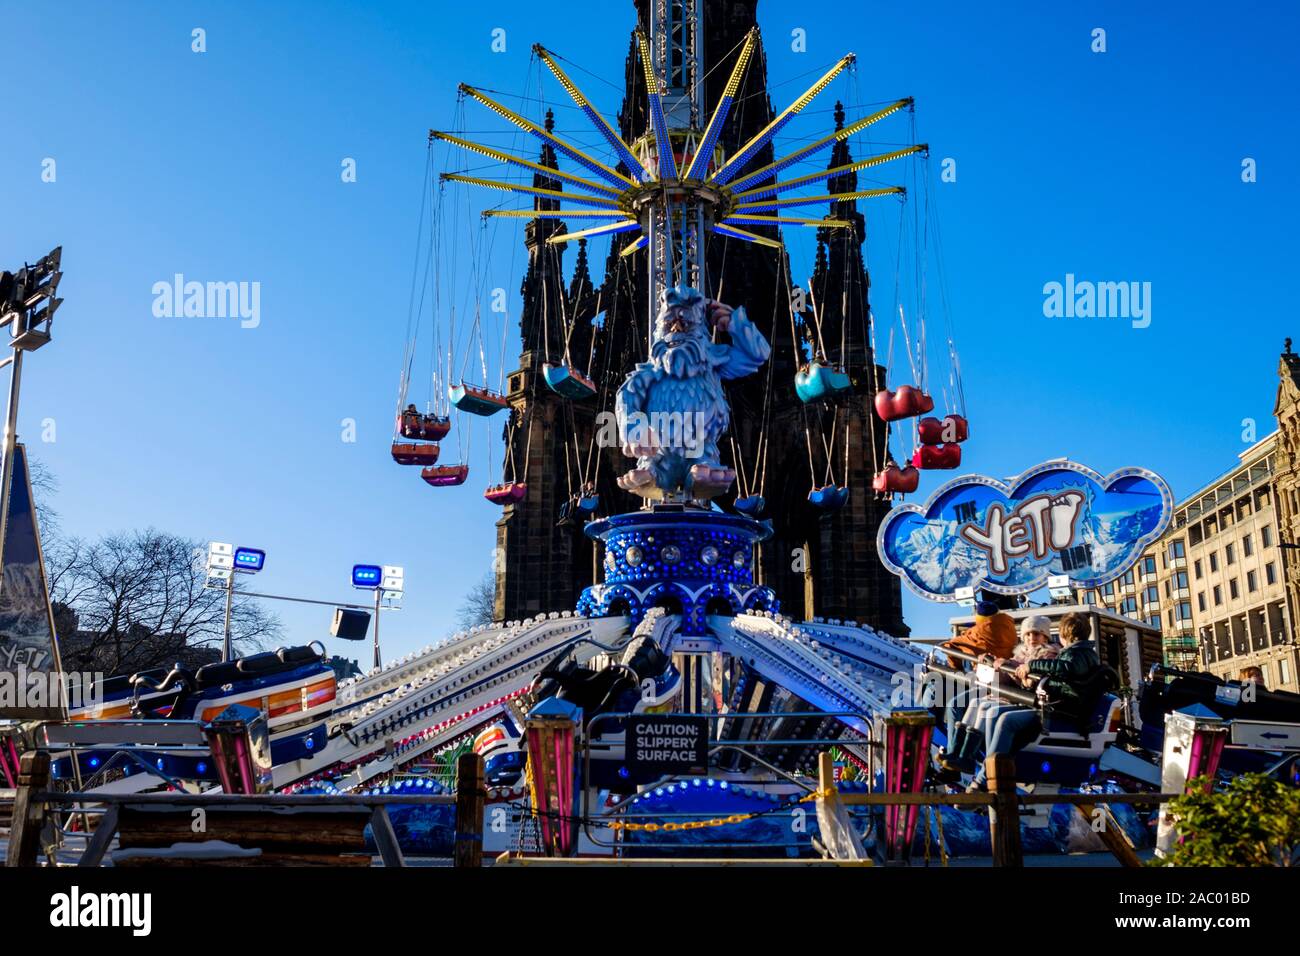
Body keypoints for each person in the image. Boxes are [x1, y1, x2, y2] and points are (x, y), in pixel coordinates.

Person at [967, 611, 1105, 790]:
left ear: (1064, 636)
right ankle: (985, 768)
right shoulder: (1080, 653)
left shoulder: (1078, 654)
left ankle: (988, 777)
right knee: (994, 712)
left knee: (1005, 720)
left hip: (1059, 712)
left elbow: (1064, 667)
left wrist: (1031, 666)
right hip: (1055, 707)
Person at [940, 615, 1057, 773]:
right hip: (1011, 695)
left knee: (986, 708)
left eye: (1036, 634)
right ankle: (959, 754)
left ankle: (971, 759)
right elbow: (1005, 679)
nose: (1031, 638)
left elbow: (1030, 683)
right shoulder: (1020, 654)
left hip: (1026, 701)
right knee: (975, 703)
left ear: (1045, 636)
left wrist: (1009, 667)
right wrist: (992, 665)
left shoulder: (1048, 656)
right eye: (1028, 634)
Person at [938, 601, 1019, 769]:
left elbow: (949, 646)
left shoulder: (976, 632)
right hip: (1010, 685)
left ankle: (956, 753)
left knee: (954, 705)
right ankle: (961, 756)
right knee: (973, 704)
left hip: (990, 684)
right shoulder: (1010, 627)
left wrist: (957, 669)